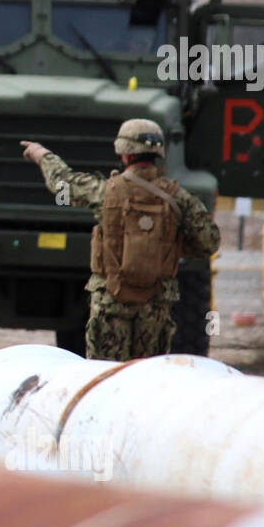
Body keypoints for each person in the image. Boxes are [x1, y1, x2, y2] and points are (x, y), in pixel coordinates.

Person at [21, 118, 221, 360]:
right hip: (155, 307)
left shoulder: (106, 192)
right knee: (146, 373)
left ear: (125, 153)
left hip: (110, 304)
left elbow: (63, 182)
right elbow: (209, 242)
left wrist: (42, 155)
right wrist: (171, 245)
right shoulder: (179, 197)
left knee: (106, 373)